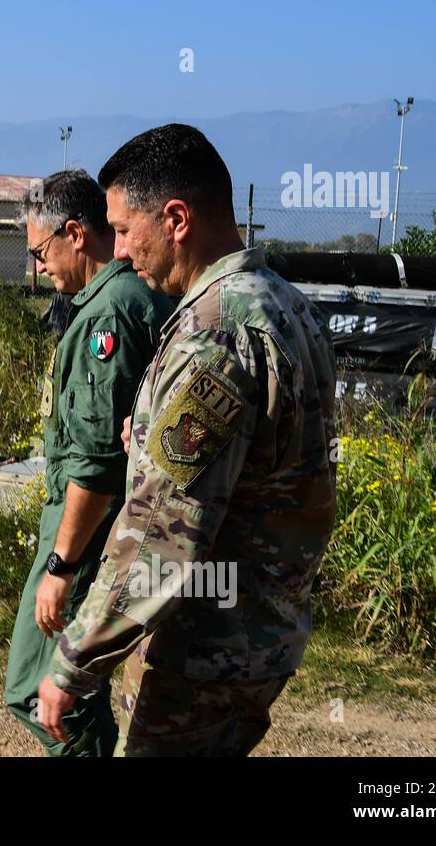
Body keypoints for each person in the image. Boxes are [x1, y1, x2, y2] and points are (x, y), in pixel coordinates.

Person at [38, 124, 338, 756]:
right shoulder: (284, 303)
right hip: (262, 633)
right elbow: (261, 454)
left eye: (123, 229)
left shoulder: (216, 332)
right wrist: (148, 441)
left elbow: (159, 536)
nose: (116, 251)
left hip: (202, 649)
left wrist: (73, 661)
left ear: (175, 218)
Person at [4, 170, 173, 755]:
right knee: (67, 688)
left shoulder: (109, 312)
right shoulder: (118, 300)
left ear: (76, 234)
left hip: (86, 531)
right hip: (101, 528)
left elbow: (96, 460)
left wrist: (61, 563)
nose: (38, 267)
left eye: (40, 251)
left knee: (41, 688)